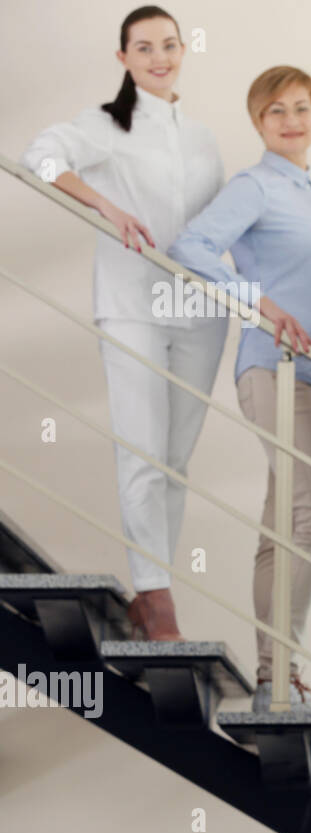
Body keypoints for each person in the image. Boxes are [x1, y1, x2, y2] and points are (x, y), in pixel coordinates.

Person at [20, 6, 225, 641]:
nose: (159, 56)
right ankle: (156, 596)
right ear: (124, 58)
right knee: (141, 446)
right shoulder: (106, 126)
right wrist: (107, 207)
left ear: (184, 49)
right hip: (134, 302)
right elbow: (40, 157)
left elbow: (220, 228)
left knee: (174, 459)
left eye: (169, 44)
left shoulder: (202, 139)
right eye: (144, 47)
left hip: (199, 312)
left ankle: (152, 587)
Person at [170, 65, 311, 712]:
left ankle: (271, 680)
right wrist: (256, 303)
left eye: (303, 107)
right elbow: (192, 245)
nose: (291, 119)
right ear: (259, 122)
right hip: (275, 370)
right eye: (276, 110)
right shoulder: (255, 186)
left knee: (282, 527)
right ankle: (278, 676)